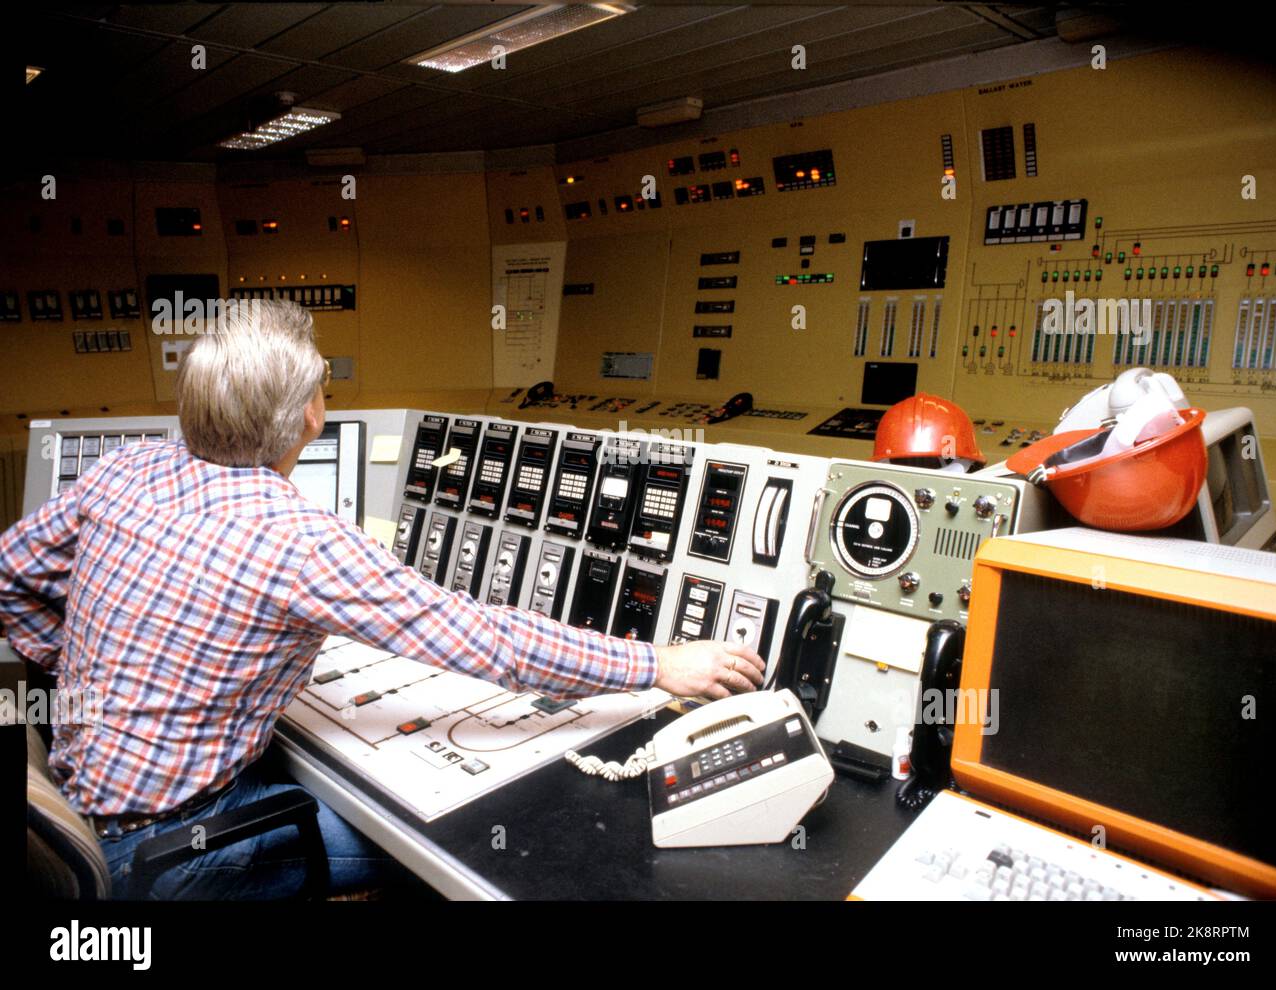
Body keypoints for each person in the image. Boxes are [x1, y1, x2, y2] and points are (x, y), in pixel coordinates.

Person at [0, 299, 764, 899]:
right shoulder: (298, 536)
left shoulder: (125, 471)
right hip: (173, 855)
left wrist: (85, 666)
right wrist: (657, 662)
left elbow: (8, 574)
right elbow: (484, 640)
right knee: (450, 840)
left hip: (81, 804)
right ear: (310, 415)